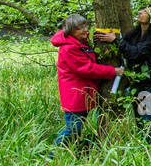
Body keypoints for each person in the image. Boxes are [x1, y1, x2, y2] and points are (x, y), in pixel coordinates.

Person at [51, 14, 123, 149]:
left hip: (82, 93)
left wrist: (94, 38)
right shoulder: (69, 48)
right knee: (73, 129)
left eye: (85, 26)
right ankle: (53, 155)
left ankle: (70, 152)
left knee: (77, 127)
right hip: (75, 95)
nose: (85, 30)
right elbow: (86, 68)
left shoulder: (78, 42)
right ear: (71, 31)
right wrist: (113, 71)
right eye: (80, 28)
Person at [107, 5, 151, 142]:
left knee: (148, 123)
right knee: (140, 123)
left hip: (148, 86)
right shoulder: (135, 34)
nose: (140, 12)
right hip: (134, 86)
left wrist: (115, 41)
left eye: (145, 11)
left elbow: (136, 54)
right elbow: (127, 48)